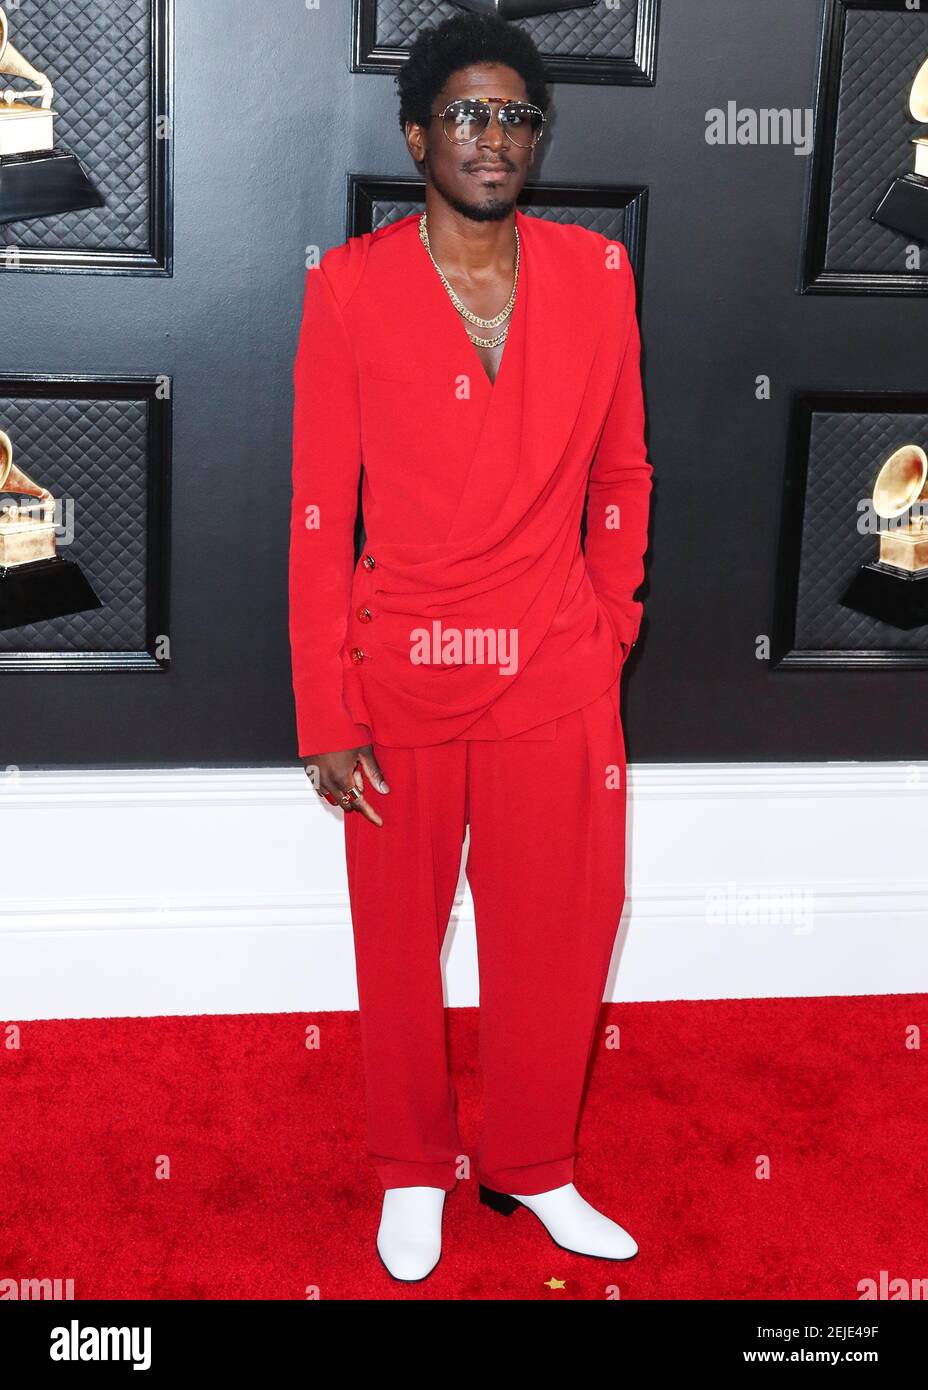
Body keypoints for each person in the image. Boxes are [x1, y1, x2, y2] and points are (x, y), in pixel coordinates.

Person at [288, 11, 653, 1283]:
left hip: (557, 670)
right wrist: (325, 705)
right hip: (404, 676)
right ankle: (407, 1166)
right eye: (465, 114)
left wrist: (611, 625)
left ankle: (533, 1165)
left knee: (560, 927)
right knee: (397, 942)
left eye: (514, 116)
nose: (491, 137)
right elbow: (321, 512)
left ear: (534, 140)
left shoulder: (598, 277)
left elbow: (624, 470)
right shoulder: (347, 289)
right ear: (415, 134)